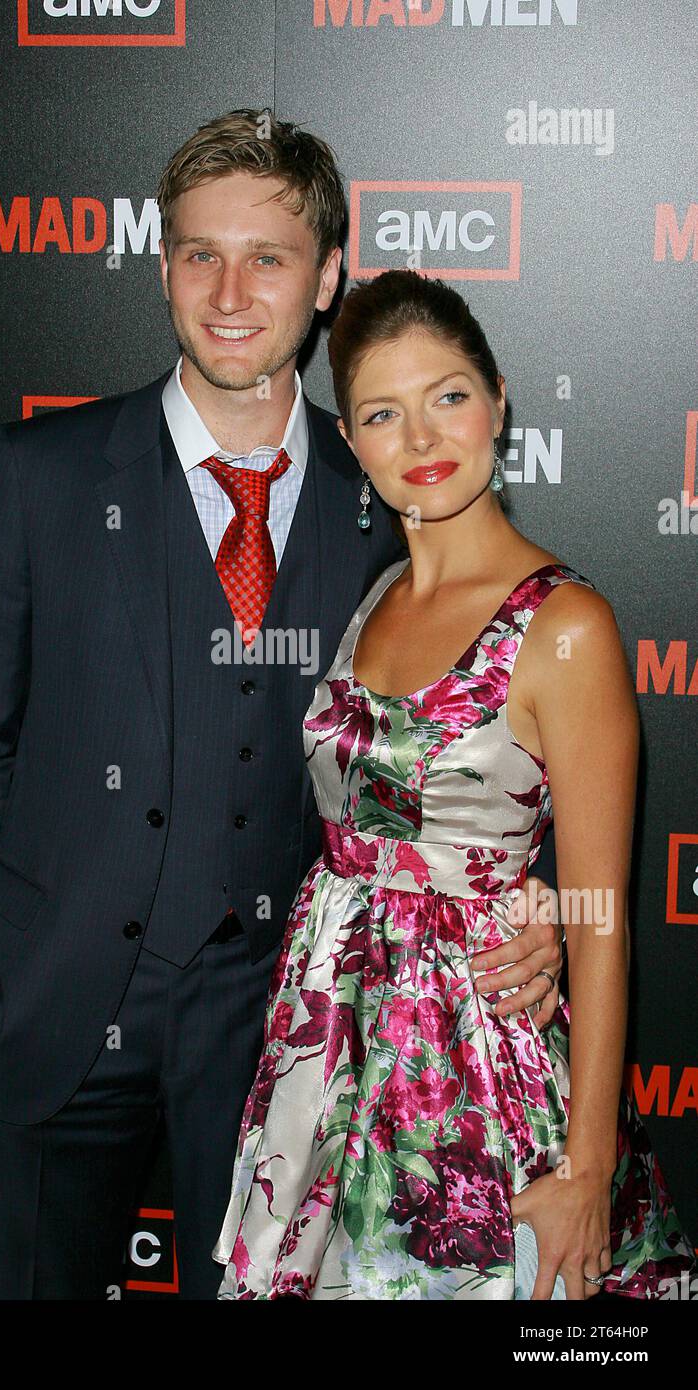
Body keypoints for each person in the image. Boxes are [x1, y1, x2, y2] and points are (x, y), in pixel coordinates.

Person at [0, 111, 564, 1301]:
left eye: (266, 257)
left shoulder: (385, 495)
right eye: (198, 253)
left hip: (291, 1038)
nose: (228, 291)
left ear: (324, 277)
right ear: (162, 265)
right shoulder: (41, 475)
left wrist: (537, 898)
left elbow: (497, 719)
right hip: (49, 1008)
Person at [212, 268, 697, 1301]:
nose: (422, 438)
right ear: (351, 442)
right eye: (383, 413)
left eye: (448, 395)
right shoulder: (376, 592)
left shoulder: (564, 626)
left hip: (469, 1075)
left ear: (498, 400)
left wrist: (584, 1171)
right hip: (328, 1055)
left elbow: (601, 912)